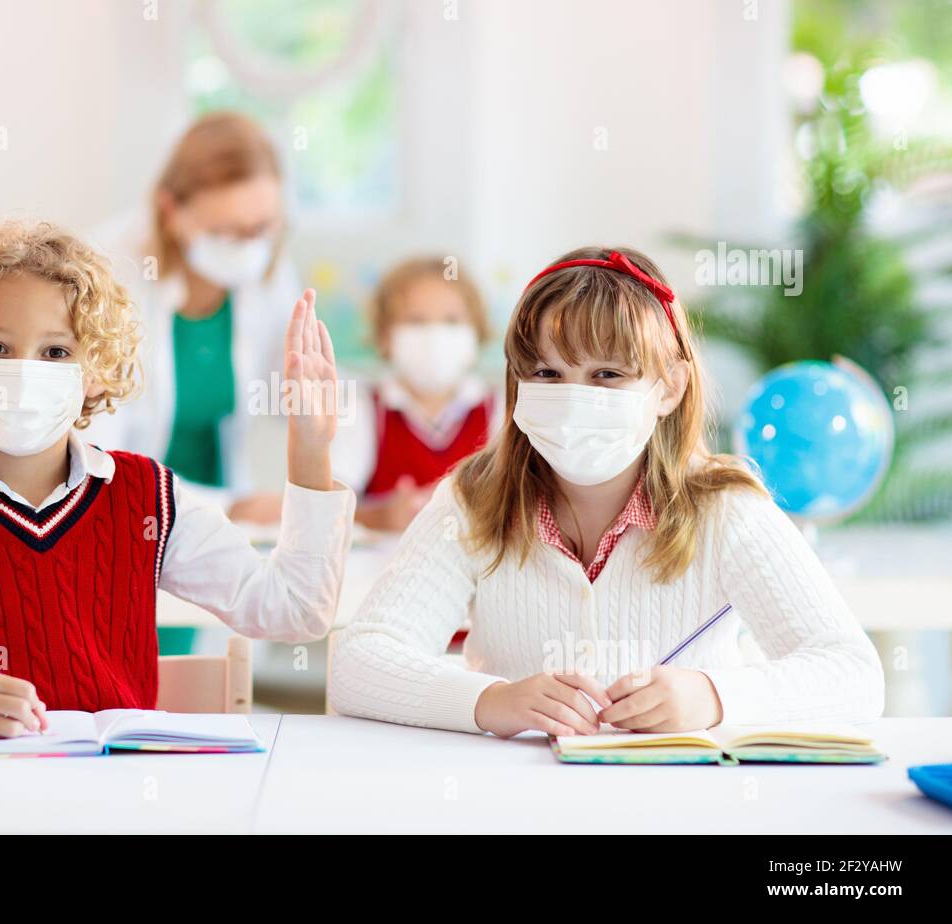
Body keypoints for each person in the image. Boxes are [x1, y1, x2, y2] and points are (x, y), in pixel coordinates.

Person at [0, 220, 354, 739]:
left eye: (55, 352)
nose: (25, 370)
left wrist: (311, 448)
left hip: (115, 799)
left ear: (93, 374)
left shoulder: (146, 497)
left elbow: (294, 609)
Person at [329, 246, 884, 738]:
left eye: (607, 375)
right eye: (547, 373)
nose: (574, 398)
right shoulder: (473, 501)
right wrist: (490, 701)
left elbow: (852, 673)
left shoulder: (726, 508)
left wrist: (713, 697)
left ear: (669, 387)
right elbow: (358, 662)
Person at [89, 112, 298, 522]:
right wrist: (233, 507)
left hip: (224, 519)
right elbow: (94, 460)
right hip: (126, 517)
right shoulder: (104, 273)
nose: (249, 246)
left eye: (262, 227)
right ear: (170, 209)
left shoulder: (268, 267)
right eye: (227, 231)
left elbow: (290, 394)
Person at [332, 256, 496, 532]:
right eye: (416, 321)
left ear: (476, 334)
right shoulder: (363, 410)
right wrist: (382, 516)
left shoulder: (501, 411)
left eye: (451, 320)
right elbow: (328, 506)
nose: (434, 334)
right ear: (385, 336)